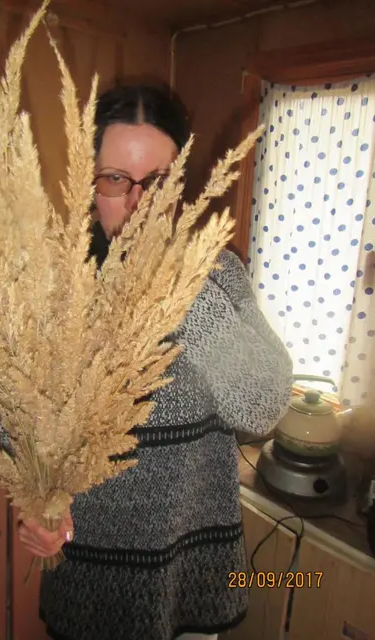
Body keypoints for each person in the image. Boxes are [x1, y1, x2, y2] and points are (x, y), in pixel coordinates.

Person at [19, 84, 293, 640]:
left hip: (190, 570)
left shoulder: (219, 275)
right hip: (89, 574)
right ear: (89, 183)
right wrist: (33, 500)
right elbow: (21, 421)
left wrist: (179, 285)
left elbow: (263, 407)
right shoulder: (58, 287)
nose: (138, 203)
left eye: (159, 182)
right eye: (116, 179)